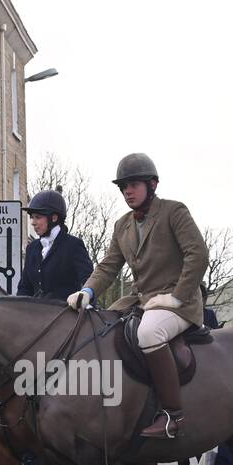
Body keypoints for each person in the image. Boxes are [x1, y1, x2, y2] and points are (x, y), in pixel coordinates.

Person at [68, 153, 209, 439]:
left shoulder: (174, 212)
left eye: (132, 184)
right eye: (122, 187)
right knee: (99, 327)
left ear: (152, 184)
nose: (127, 191)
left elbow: (198, 255)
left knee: (149, 334)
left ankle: (173, 415)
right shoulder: (122, 225)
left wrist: (177, 298)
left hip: (179, 303)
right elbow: (109, 265)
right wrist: (88, 290)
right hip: (142, 300)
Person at [18, 190, 93, 300]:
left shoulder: (73, 245)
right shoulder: (32, 248)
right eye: (32, 217)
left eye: (38, 217)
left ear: (54, 218)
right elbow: (24, 288)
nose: (33, 222)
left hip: (66, 312)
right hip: (35, 313)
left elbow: (89, 281)